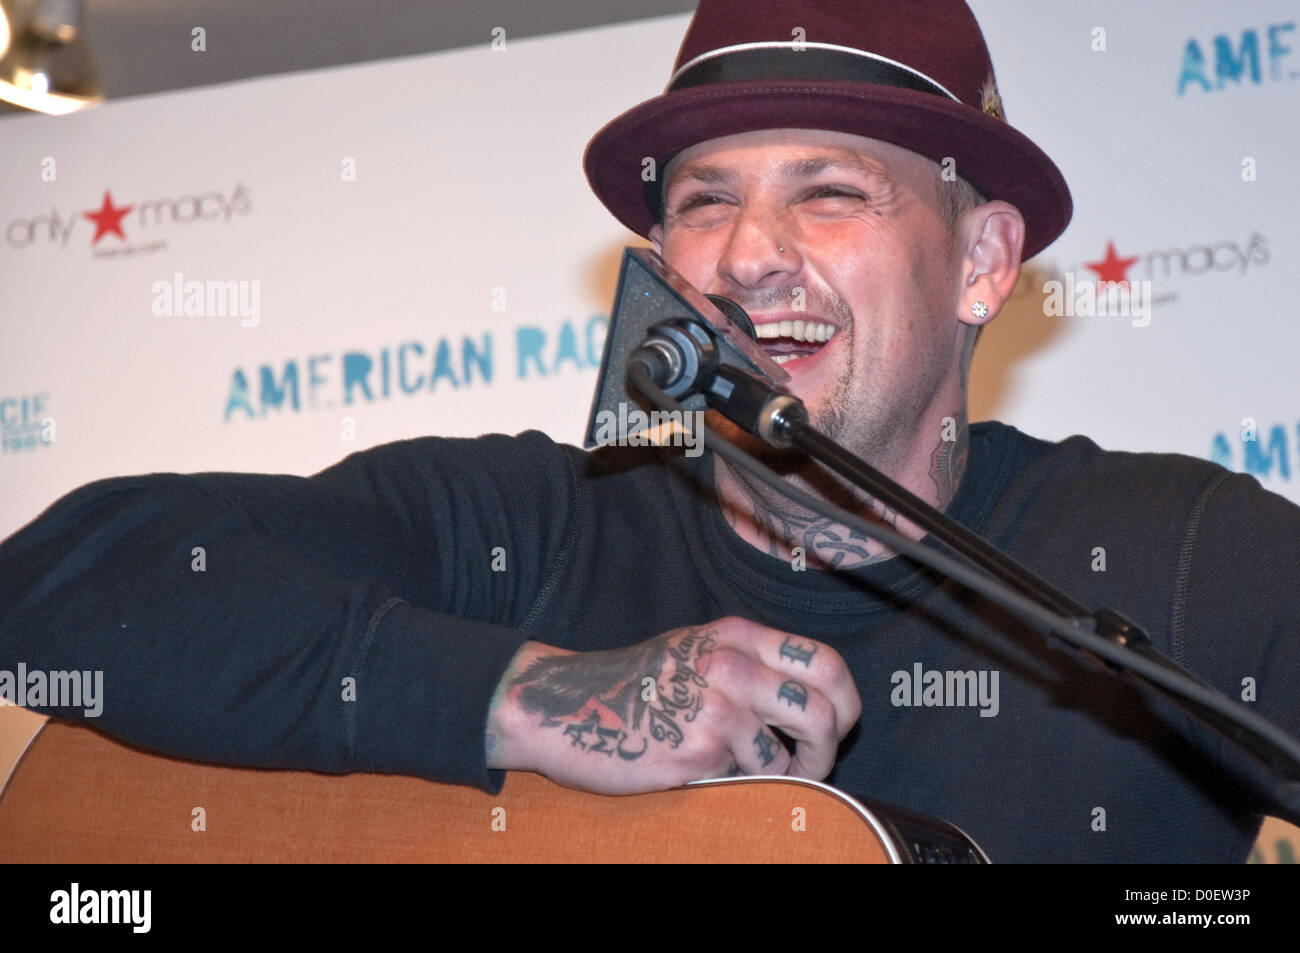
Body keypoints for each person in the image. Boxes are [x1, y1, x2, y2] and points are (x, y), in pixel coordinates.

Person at [1, 0, 1297, 863]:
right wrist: (531, 699)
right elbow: (61, 585)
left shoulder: (1181, 558)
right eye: (703, 203)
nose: (749, 254)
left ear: (982, 261)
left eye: (829, 193)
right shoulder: (524, 528)